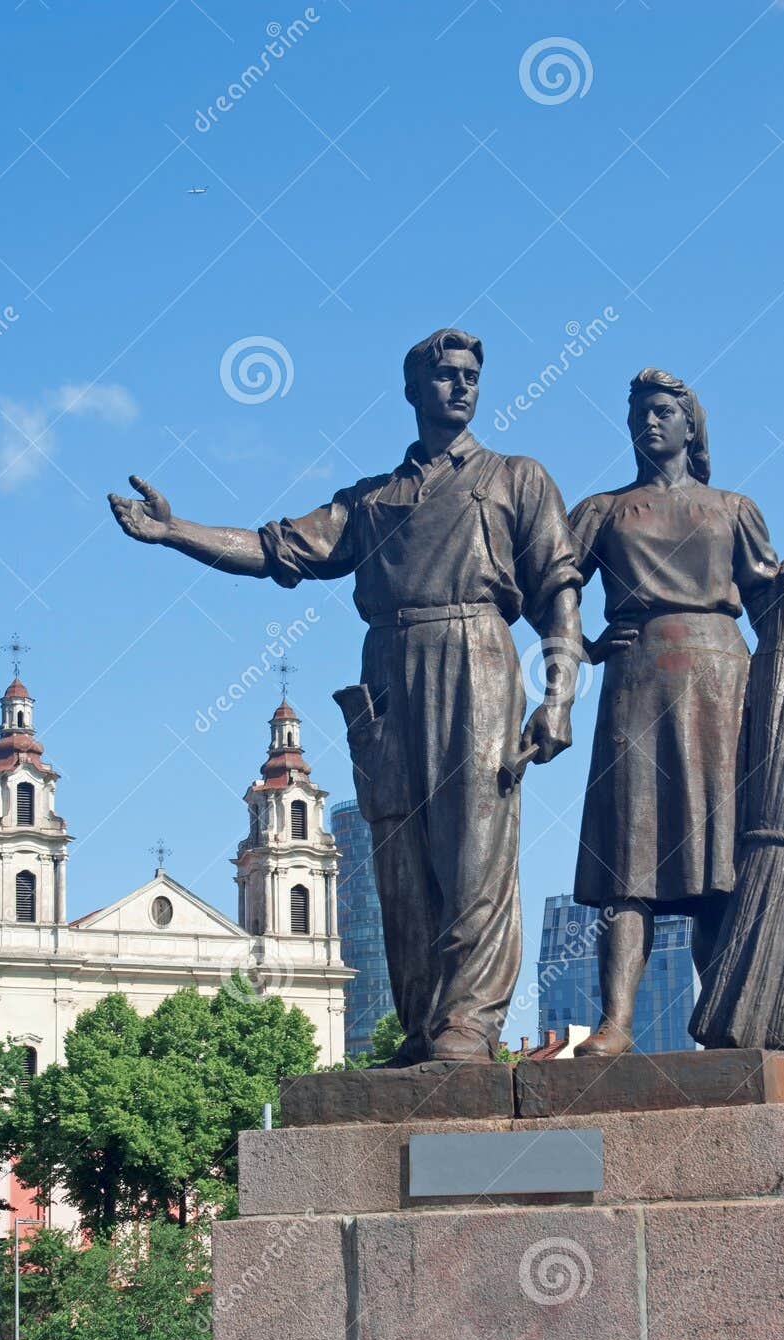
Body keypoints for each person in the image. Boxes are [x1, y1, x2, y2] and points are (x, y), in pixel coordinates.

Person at [109, 328, 600, 1064]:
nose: (460, 387)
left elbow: (558, 594)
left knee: (476, 848)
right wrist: (175, 530)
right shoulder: (371, 501)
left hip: (478, 658)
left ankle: (467, 1023)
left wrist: (558, 696)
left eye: (470, 376)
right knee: (397, 854)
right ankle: (422, 1022)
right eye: (443, 376)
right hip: (388, 669)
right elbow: (276, 549)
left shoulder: (516, 478)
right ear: (411, 391)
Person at [570, 368, 779, 1056]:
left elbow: (771, 610)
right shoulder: (602, 510)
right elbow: (543, 584)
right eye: (638, 414)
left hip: (722, 682)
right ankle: (615, 1024)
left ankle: (721, 1023)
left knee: (717, 868)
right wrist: (584, 643)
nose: (648, 424)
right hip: (636, 684)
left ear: (691, 425)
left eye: (662, 412)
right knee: (626, 868)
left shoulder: (732, 509)